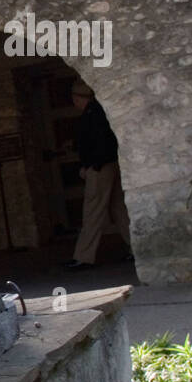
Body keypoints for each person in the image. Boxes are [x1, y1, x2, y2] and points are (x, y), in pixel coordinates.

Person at [64, 81, 132, 270]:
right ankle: (134, 247)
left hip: (100, 168)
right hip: (109, 164)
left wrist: (92, 165)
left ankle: (84, 257)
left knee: (92, 211)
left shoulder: (92, 115)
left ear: (78, 98)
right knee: (118, 208)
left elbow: (98, 142)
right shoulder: (98, 112)